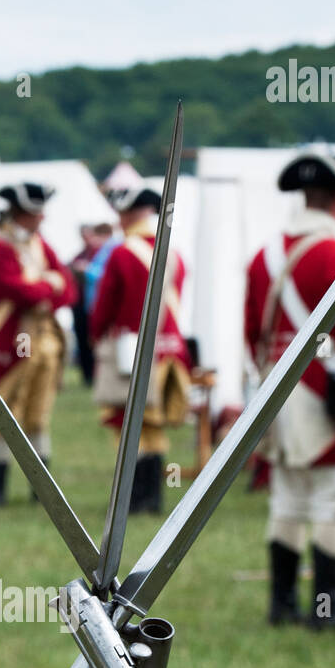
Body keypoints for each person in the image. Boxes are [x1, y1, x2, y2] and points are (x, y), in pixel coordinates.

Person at [245, 149, 335, 633]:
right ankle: (325, 612)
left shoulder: (264, 255)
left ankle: (280, 606)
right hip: (327, 393)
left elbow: (254, 332)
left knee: (288, 499)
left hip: (278, 392)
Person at [89, 185, 191, 514]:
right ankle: (154, 499)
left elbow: (105, 306)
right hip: (171, 351)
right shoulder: (172, 253)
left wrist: (94, 337)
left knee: (127, 423)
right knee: (154, 427)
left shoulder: (121, 253)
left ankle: (134, 500)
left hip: (131, 351)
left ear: (132, 214)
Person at [0, 183, 77, 505]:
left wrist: (45, 285)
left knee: (39, 415)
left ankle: (41, 490)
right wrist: (49, 283)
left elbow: (69, 291)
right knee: (6, 416)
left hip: (45, 340)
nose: (41, 219)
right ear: (20, 214)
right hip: (14, 343)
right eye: (35, 213)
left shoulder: (39, 246)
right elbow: (20, 292)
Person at [68, 223, 114, 384]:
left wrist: (86, 270)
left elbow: (106, 276)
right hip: (87, 304)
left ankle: (97, 376)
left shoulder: (109, 250)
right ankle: (90, 376)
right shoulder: (88, 253)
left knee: (96, 341)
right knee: (87, 341)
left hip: (96, 304)